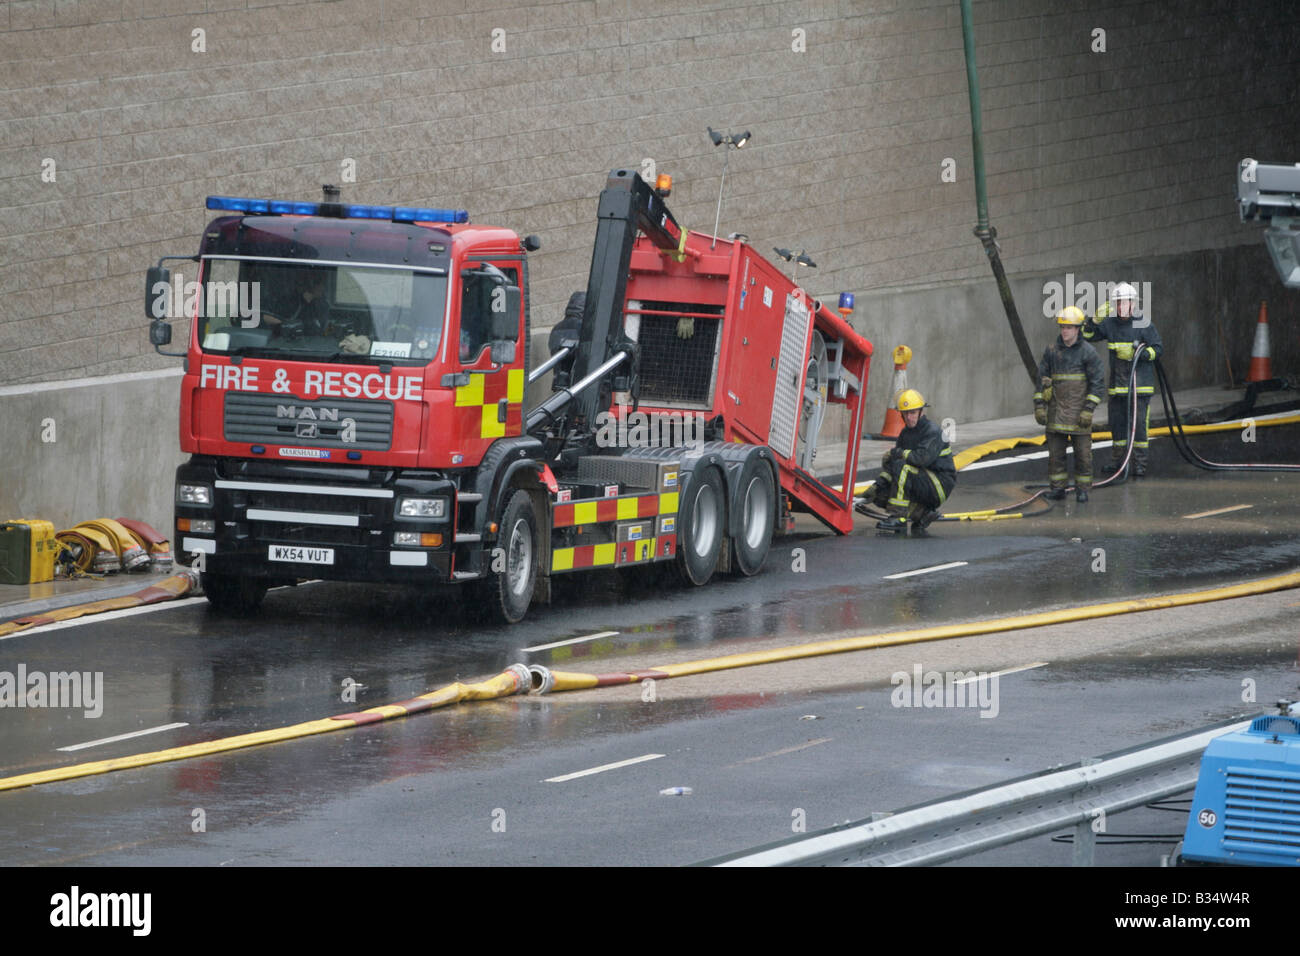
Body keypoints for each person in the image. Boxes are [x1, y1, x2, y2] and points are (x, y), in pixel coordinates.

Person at [1083, 282, 1163, 478]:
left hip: (1139, 387)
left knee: (1139, 427)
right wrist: (1094, 319)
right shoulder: (1110, 323)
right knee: (1117, 426)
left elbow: (1158, 349)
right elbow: (1087, 335)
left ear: (1133, 304)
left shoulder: (1143, 323)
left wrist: (1139, 353)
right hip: (1118, 388)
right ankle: (1119, 461)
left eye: (1124, 303)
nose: (1121, 307)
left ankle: (1140, 464)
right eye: (1118, 303)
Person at [1036, 306, 1105, 502]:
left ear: (1078, 329)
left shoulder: (1088, 353)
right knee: (1055, 456)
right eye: (1062, 327)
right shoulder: (1051, 351)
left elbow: (1097, 383)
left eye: (1068, 327)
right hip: (1056, 414)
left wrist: (1088, 410)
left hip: (1078, 415)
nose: (1064, 331)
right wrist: (1040, 406)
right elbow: (1041, 379)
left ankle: (1083, 490)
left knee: (1083, 456)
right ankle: (1058, 489)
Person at [871, 389, 956, 536]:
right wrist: (877, 485)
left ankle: (899, 518)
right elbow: (893, 464)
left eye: (913, 413)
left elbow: (921, 459)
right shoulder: (905, 433)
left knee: (903, 467)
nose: (909, 417)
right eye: (906, 413)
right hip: (921, 480)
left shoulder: (933, 431)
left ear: (921, 412)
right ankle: (923, 515)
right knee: (881, 494)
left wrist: (901, 453)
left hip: (939, 484)